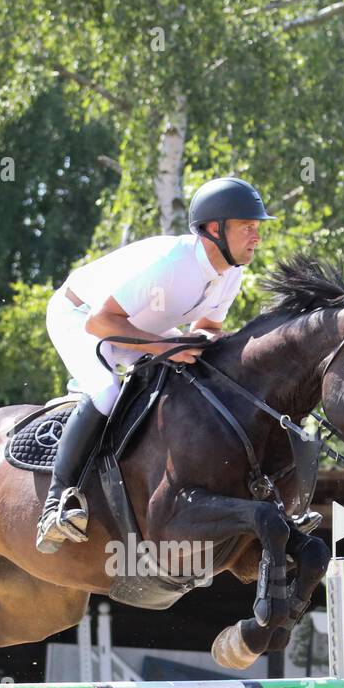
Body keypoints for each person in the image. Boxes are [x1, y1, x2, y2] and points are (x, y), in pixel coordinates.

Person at [35, 175, 275, 552]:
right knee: (106, 392)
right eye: (248, 227)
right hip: (79, 317)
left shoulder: (230, 273)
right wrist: (165, 346)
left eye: (257, 227)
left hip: (139, 330)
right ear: (215, 228)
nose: (256, 237)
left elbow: (208, 327)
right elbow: (99, 323)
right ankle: (57, 503)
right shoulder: (172, 263)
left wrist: (212, 346)